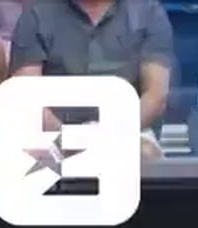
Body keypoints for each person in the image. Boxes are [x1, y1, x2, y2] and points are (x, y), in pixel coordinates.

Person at [10, 0, 173, 160]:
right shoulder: (36, 14)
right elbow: (27, 98)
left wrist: (109, 138)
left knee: (144, 155)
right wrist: (71, 141)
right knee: (33, 162)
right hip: (53, 136)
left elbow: (155, 96)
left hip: (129, 132)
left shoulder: (148, 12)